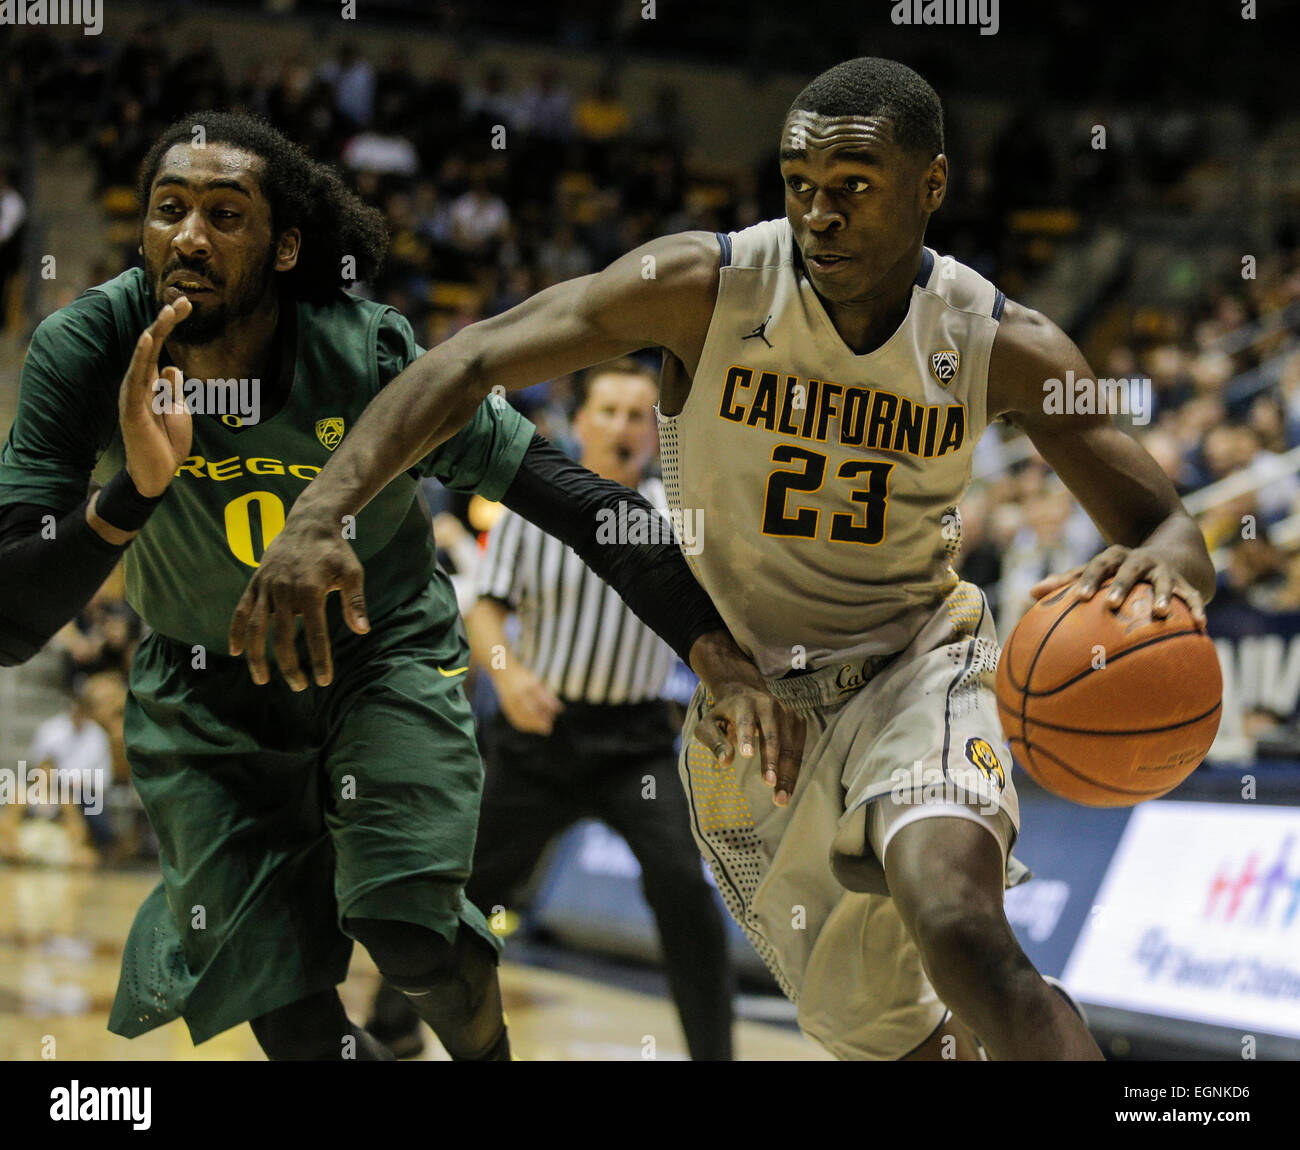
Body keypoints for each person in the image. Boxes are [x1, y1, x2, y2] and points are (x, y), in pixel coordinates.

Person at [237, 58, 1216, 1061]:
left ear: (931, 183)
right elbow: (468, 357)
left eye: (854, 185)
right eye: (800, 185)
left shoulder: (1002, 342)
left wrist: (1168, 573)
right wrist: (323, 512)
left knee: (960, 924)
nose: (819, 214)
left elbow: (1165, 527)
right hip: (754, 708)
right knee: (892, 1040)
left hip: (915, 667)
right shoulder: (703, 288)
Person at [0, 111, 796, 1060]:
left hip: (378, 659)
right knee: (290, 1013)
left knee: (412, 935)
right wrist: (134, 491)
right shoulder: (87, 350)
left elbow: (588, 505)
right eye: (169, 210)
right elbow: (14, 619)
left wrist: (712, 648)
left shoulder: (365, 355)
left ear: (285, 245)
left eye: (225, 213)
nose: (189, 236)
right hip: (204, 690)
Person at [370, 359, 734, 1059]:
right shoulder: (529, 511)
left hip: (635, 742)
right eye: (611, 412)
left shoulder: (679, 518)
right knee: (465, 883)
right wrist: (507, 677)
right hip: (539, 735)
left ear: (657, 433)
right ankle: (392, 1020)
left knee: (684, 888)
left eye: (640, 415)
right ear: (581, 423)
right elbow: (485, 614)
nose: (626, 427)